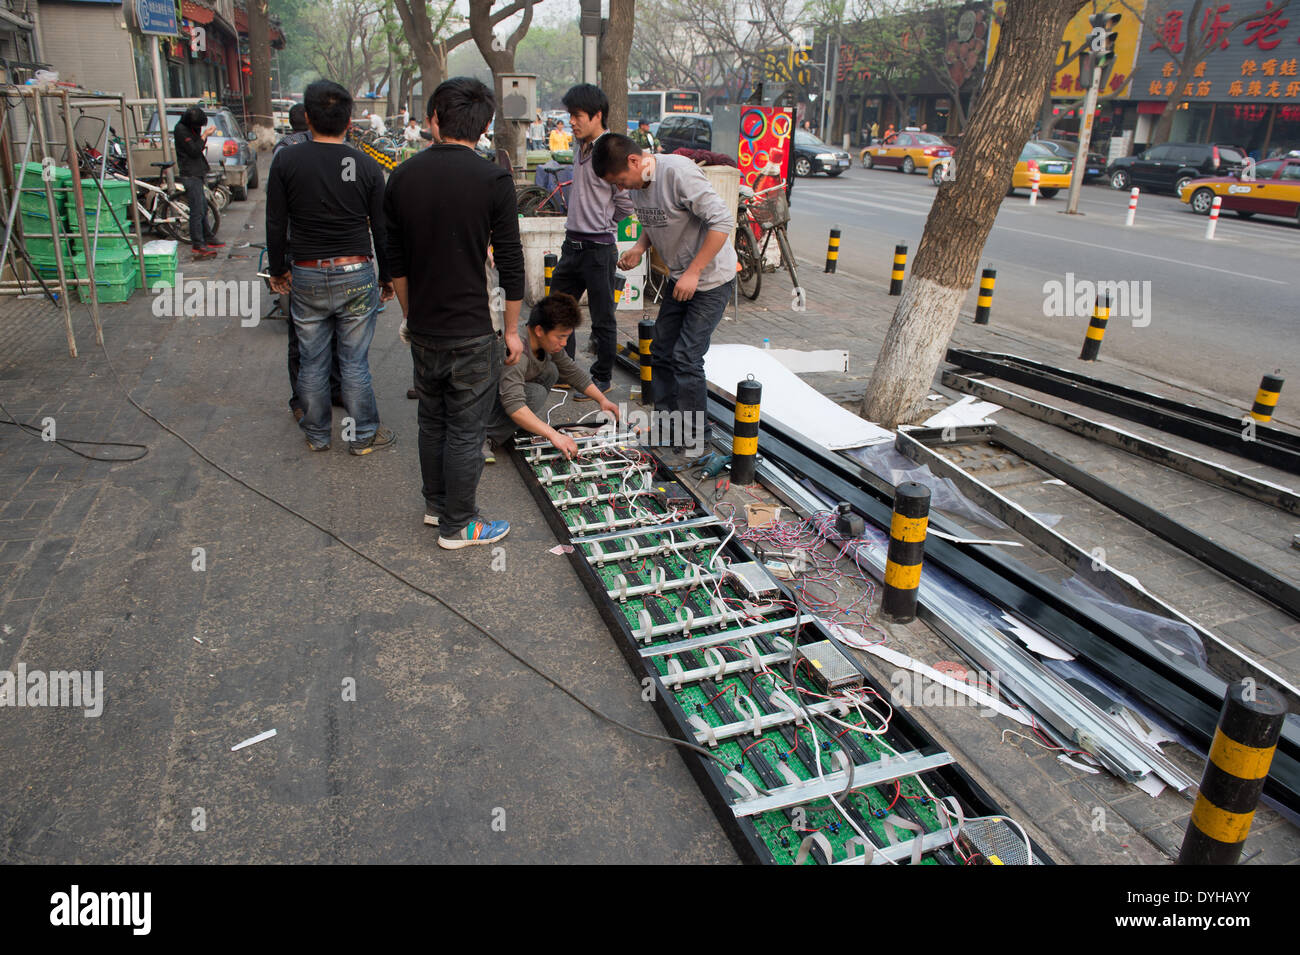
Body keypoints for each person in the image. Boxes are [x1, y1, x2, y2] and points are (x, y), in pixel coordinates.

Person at [384, 76, 525, 549]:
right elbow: (509, 261)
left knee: (432, 420)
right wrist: (511, 330)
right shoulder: (494, 179)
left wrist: (411, 314)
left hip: (424, 329)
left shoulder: (402, 177)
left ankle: (436, 506)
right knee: (466, 428)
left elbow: (395, 263)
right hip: (474, 332)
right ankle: (460, 524)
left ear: (435, 120)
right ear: (484, 126)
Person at [266, 79, 395, 456]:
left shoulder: (286, 161)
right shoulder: (367, 166)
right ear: (349, 120)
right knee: (354, 361)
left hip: (305, 272)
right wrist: (387, 275)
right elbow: (382, 229)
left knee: (312, 359)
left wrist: (278, 269)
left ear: (307, 117)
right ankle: (362, 436)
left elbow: (276, 222)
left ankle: (318, 434)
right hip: (355, 271)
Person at [594, 134, 737, 463]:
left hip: (711, 279)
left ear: (634, 161)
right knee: (660, 350)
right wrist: (640, 248)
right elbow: (653, 220)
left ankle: (696, 441)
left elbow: (722, 221)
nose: (621, 188)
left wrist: (695, 271)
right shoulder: (638, 186)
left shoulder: (678, 173)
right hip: (680, 278)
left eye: (620, 180)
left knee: (686, 357)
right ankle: (668, 427)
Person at [549, 83, 634, 401]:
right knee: (558, 310)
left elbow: (625, 202)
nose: (571, 121)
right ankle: (564, 370)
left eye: (577, 115)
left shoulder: (609, 150)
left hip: (598, 249)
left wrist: (604, 224)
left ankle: (602, 378)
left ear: (597, 115)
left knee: (602, 316)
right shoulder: (580, 145)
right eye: (570, 115)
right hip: (572, 245)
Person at [483, 293, 619, 462]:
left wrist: (602, 400)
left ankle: (516, 424)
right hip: (482, 402)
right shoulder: (517, 350)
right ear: (539, 330)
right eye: (560, 336)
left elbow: (572, 371)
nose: (563, 343)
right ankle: (484, 437)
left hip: (502, 393)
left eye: (567, 337)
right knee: (535, 393)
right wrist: (553, 435)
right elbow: (514, 404)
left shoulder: (543, 340)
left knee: (551, 371)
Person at [273, 104, 342, 423]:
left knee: (302, 332)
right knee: (339, 328)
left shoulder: (284, 151)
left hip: (299, 253)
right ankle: (331, 390)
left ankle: (304, 401)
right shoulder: (345, 151)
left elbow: (276, 215)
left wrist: (278, 266)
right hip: (340, 254)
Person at [173, 106, 223, 258]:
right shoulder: (181, 130)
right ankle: (198, 243)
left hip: (198, 172)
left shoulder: (190, 128)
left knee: (202, 206)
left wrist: (203, 135)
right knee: (197, 210)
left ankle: (207, 236)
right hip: (190, 173)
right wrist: (204, 136)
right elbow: (194, 150)